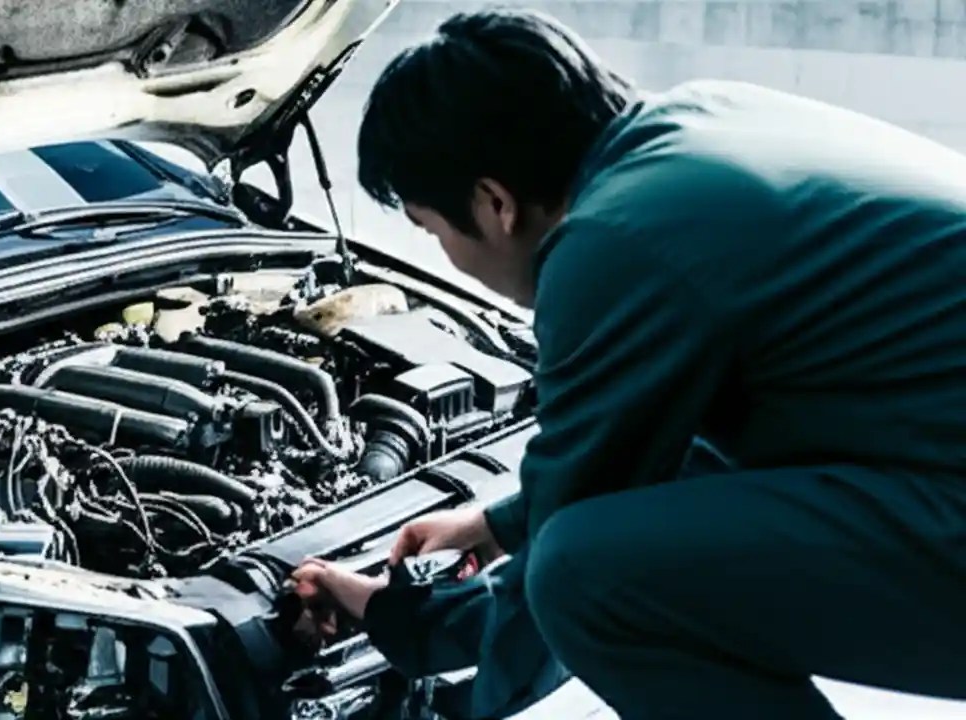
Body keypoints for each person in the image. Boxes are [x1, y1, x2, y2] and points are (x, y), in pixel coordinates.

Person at [291, 9, 966, 720]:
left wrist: (407, 635)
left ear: (495, 203)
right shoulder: (702, 122)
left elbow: (575, 559)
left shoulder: (614, 246)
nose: (442, 255)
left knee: (581, 578)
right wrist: (497, 524)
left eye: (430, 231)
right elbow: (662, 461)